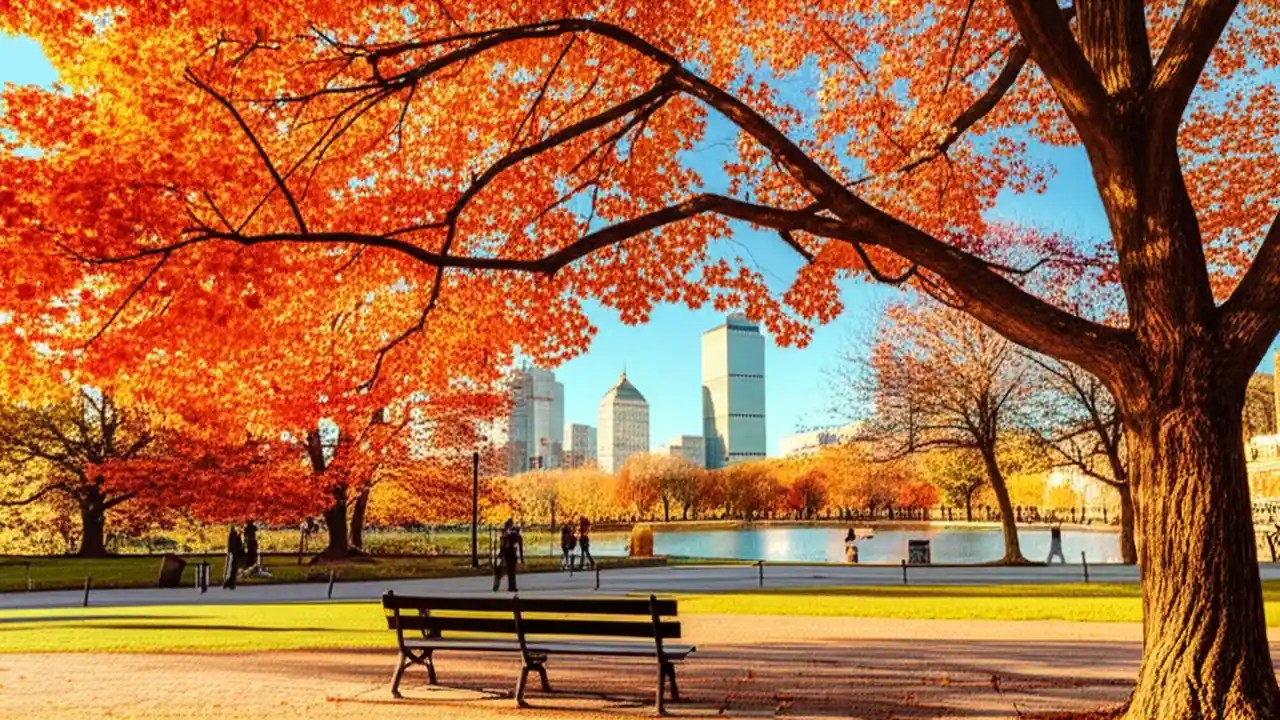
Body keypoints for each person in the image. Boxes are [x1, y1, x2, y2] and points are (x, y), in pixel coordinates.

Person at [493, 519, 524, 592]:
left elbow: (519, 544)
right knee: (502, 571)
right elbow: (502, 544)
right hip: (506, 554)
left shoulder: (513, 535)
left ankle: (511, 586)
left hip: (509, 554)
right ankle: (505, 586)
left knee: (510, 571)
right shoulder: (505, 534)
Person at [222, 526, 243, 590]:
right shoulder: (234, 536)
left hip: (232, 554)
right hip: (233, 554)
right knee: (232, 569)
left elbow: (236, 545)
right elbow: (238, 545)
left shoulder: (232, 536)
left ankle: (229, 583)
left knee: (231, 569)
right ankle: (230, 583)